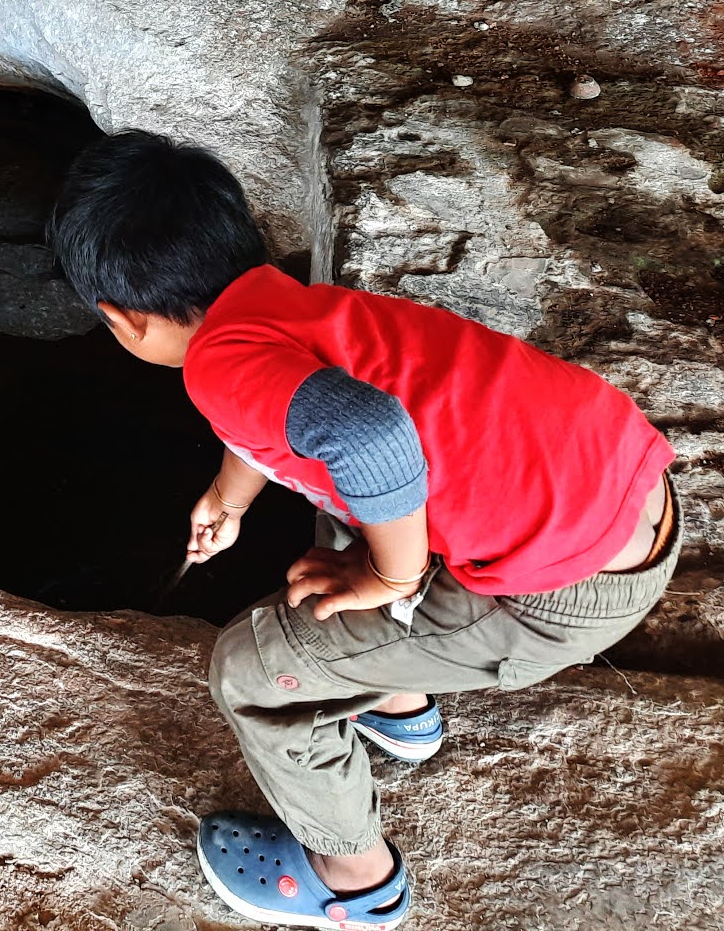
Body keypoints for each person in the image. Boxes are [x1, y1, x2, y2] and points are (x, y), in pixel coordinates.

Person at [48, 130, 678, 930]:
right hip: (624, 492)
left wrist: (391, 578)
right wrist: (229, 499)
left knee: (250, 669)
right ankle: (400, 706)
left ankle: (354, 883)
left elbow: (372, 435)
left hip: (559, 588)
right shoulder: (284, 302)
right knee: (351, 507)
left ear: (122, 319)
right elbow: (284, 422)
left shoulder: (214, 367)